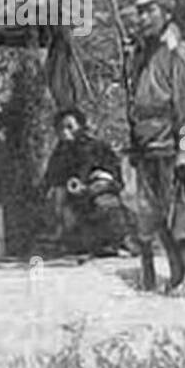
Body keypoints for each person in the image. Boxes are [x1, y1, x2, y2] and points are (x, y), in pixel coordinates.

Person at [125, 0, 185, 297]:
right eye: (140, 11)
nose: (143, 17)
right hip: (147, 146)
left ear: (167, 13)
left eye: (150, 11)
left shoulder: (177, 53)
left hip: (172, 146)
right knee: (154, 214)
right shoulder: (143, 54)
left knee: (181, 212)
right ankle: (174, 274)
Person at [40, 107, 128, 257]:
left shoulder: (96, 146)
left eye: (70, 127)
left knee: (105, 204)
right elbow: (52, 177)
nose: (65, 131)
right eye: (61, 128)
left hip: (100, 191)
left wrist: (95, 184)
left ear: (80, 127)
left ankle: (111, 242)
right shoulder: (60, 152)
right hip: (73, 197)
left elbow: (112, 172)